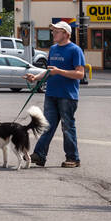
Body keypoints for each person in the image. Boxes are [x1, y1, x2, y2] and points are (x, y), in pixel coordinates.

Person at [27, 20, 85, 168]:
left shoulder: (75, 50)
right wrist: (35, 77)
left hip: (67, 96)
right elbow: (49, 71)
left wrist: (59, 71)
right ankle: (39, 155)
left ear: (66, 34)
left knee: (67, 127)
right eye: (53, 31)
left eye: (57, 31)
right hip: (51, 94)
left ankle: (73, 158)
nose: (53, 33)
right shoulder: (52, 49)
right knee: (47, 126)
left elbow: (80, 74)